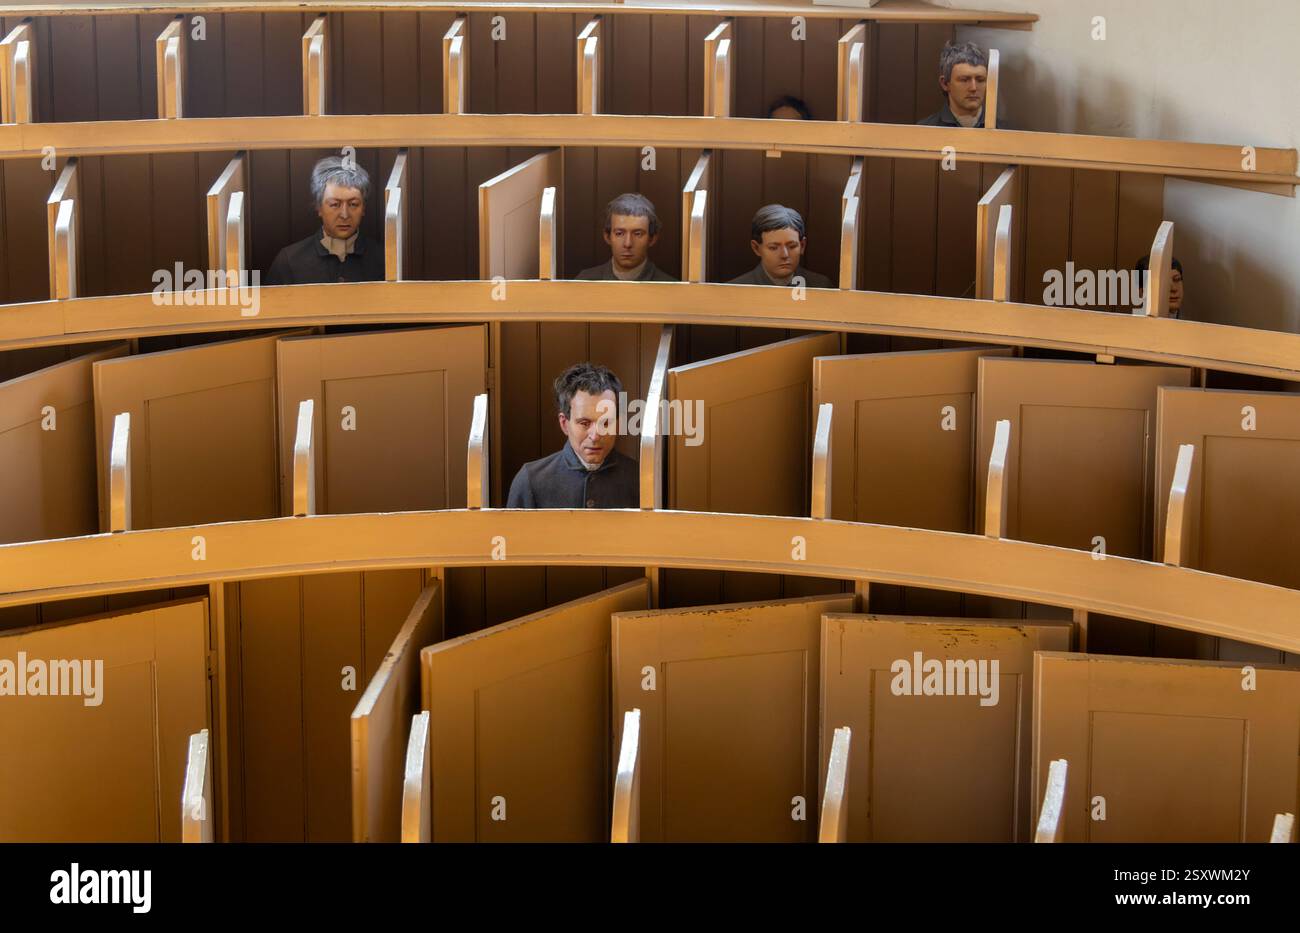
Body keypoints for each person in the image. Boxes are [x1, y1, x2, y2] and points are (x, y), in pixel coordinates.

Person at [506, 362, 639, 509]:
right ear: (564, 423)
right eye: (584, 423)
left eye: (606, 423)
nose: (595, 436)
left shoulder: (639, 480)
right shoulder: (530, 481)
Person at [266, 156, 385, 285]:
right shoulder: (290, 261)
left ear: (363, 209)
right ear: (319, 207)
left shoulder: (382, 259)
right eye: (334, 204)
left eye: (353, 204)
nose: (344, 215)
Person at [574, 193, 676, 282]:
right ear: (607, 236)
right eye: (619, 233)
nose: (628, 244)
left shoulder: (671, 289)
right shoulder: (584, 281)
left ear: (652, 238)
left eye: (637, 234)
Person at [728, 204, 832, 288]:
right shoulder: (735, 289)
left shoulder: (821, 286)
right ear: (756, 248)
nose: (784, 255)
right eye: (773, 248)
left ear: (802, 245)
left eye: (792, 246)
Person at [918, 41, 1004, 129]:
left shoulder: (1006, 132)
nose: (973, 88)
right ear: (945, 84)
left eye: (980, 80)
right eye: (964, 80)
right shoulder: (924, 131)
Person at [1135, 254, 1186, 319]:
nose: (1173, 289)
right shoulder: (1129, 327)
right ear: (1142, 292)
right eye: (1163, 282)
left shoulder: (1193, 326)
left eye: (1177, 279)